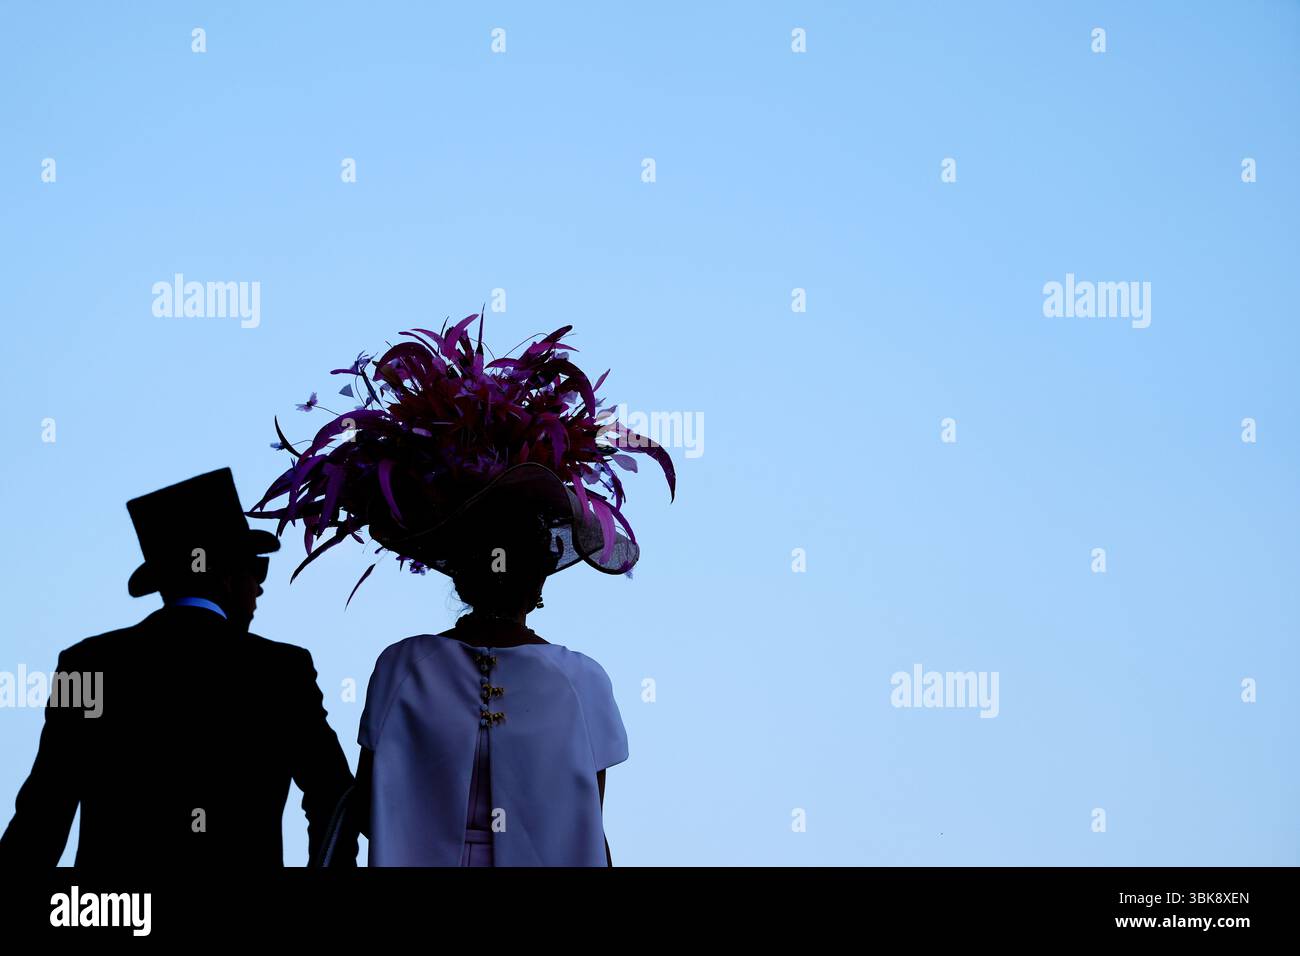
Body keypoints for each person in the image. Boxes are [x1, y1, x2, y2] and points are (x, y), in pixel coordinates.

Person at [251, 316, 674, 866]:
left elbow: (368, 807)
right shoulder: (582, 681)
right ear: (541, 579)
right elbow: (589, 833)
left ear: (456, 570)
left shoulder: (402, 666)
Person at [0, 468, 354, 867]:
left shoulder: (84, 664)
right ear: (225, 577)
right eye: (254, 570)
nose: (259, 587)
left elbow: (44, 810)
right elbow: (334, 797)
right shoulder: (283, 670)